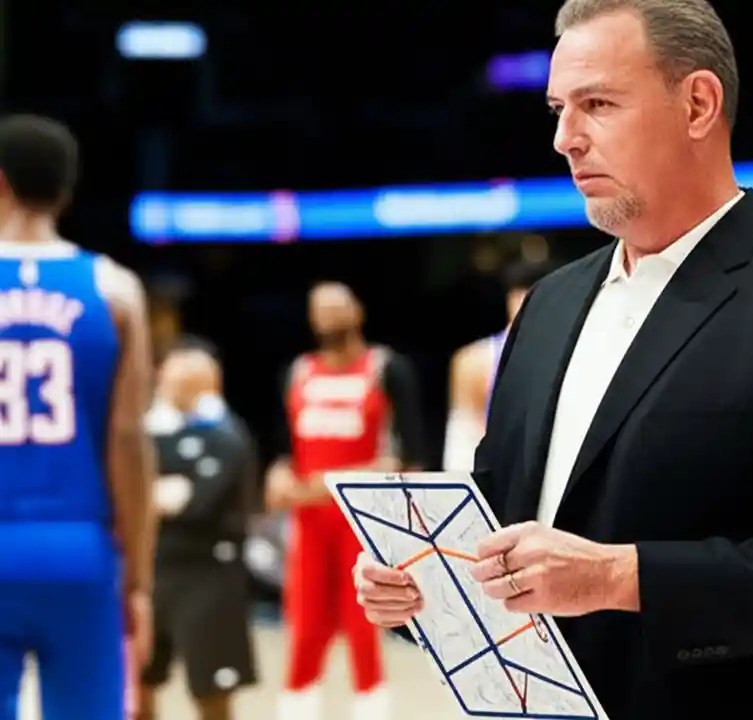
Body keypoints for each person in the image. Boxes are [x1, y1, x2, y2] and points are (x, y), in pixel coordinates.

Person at [352, 2, 753, 718]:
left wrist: (622, 576)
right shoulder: (548, 306)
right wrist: (423, 582)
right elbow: (500, 521)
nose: (564, 138)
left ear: (698, 105)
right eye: (559, 108)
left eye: (598, 104)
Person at [0, 114, 156, 718]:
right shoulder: (114, 288)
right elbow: (127, 437)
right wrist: (138, 579)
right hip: (79, 547)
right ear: (66, 192)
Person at [266, 281, 427, 720]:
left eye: (338, 306)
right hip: (309, 521)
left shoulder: (386, 368)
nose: (329, 315)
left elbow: (409, 458)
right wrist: (278, 475)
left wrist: (335, 481)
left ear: (358, 311)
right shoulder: (298, 371)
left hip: (364, 519)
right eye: (319, 308)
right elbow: (284, 448)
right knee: (305, 625)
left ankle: (372, 707)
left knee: (362, 626)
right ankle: (297, 707)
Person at [139, 341, 258, 720]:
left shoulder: (227, 435)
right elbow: (130, 489)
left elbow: (194, 502)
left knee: (211, 690)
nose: (166, 383)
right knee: (138, 682)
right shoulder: (148, 431)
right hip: (153, 570)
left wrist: (155, 494)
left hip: (209, 576)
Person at [442, 259, 557, 471]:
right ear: (509, 299)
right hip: (498, 475)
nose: (527, 305)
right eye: (520, 296)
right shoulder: (475, 360)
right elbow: (461, 440)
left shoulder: (578, 350)